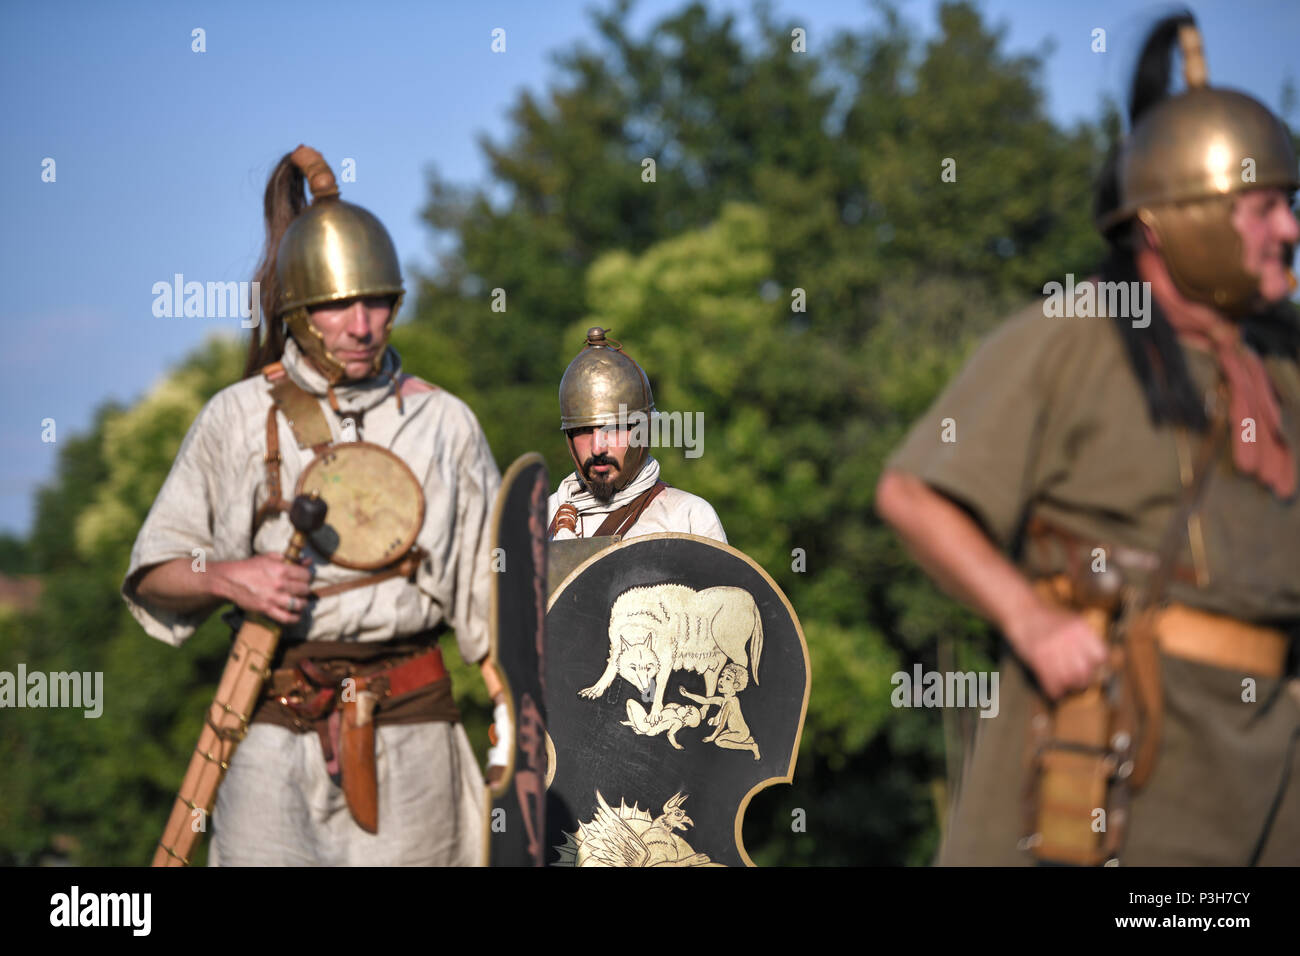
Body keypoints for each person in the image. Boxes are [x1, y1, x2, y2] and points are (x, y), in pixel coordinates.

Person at [876, 15, 1300, 865]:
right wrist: (1031, 621)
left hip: (1269, 765)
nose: (1288, 232)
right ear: (1172, 221)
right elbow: (912, 495)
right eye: (1261, 211)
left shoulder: (1287, 365)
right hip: (1111, 751)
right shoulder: (1073, 336)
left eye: (1288, 208)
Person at [122, 146, 504, 866]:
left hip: (413, 733)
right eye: (338, 306)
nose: (362, 325)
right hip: (272, 731)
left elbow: (496, 602)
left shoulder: (444, 422)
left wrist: (524, 726)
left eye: (377, 302)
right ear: (298, 312)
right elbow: (153, 573)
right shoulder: (237, 417)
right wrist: (227, 577)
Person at [547, 327, 726, 542]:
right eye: (583, 431)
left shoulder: (686, 517)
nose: (597, 448)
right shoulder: (539, 519)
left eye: (613, 429)